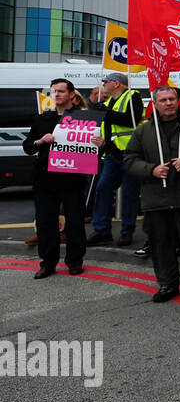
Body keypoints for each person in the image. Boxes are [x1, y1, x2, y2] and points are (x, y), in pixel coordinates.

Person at [123, 85, 180, 304]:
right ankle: (167, 284)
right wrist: (150, 169)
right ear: (155, 104)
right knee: (161, 244)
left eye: (172, 98)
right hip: (156, 199)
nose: (168, 103)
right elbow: (129, 159)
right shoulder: (143, 131)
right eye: (163, 100)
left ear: (178, 100)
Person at [24, 78, 91, 278]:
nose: (57, 94)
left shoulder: (84, 119)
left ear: (72, 94)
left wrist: (100, 143)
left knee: (75, 222)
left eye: (61, 91)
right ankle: (47, 263)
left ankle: (75, 262)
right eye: (54, 91)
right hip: (45, 179)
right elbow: (28, 147)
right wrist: (40, 141)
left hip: (73, 178)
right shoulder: (41, 119)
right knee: (45, 222)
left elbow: (93, 150)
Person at [87, 72, 144, 246]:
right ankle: (102, 230)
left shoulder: (133, 96)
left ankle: (127, 231)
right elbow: (110, 128)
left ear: (116, 84)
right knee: (102, 188)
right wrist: (103, 143)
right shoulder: (110, 102)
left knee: (129, 193)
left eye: (106, 82)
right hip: (113, 153)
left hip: (130, 153)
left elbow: (130, 121)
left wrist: (106, 112)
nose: (103, 85)